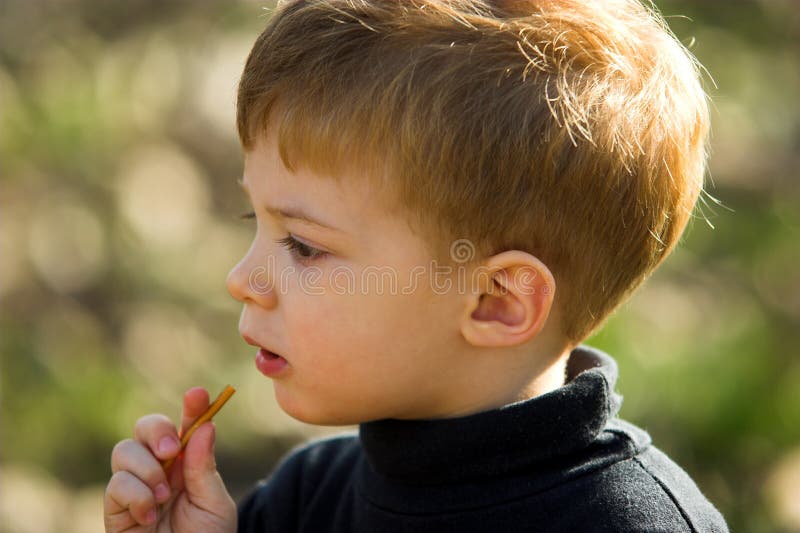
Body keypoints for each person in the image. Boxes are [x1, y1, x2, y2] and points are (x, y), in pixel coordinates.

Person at [103, 0, 729, 531]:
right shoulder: (304, 501)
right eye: (254, 222)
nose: (241, 280)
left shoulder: (633, 522)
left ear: (497, 301)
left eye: (303, 245)